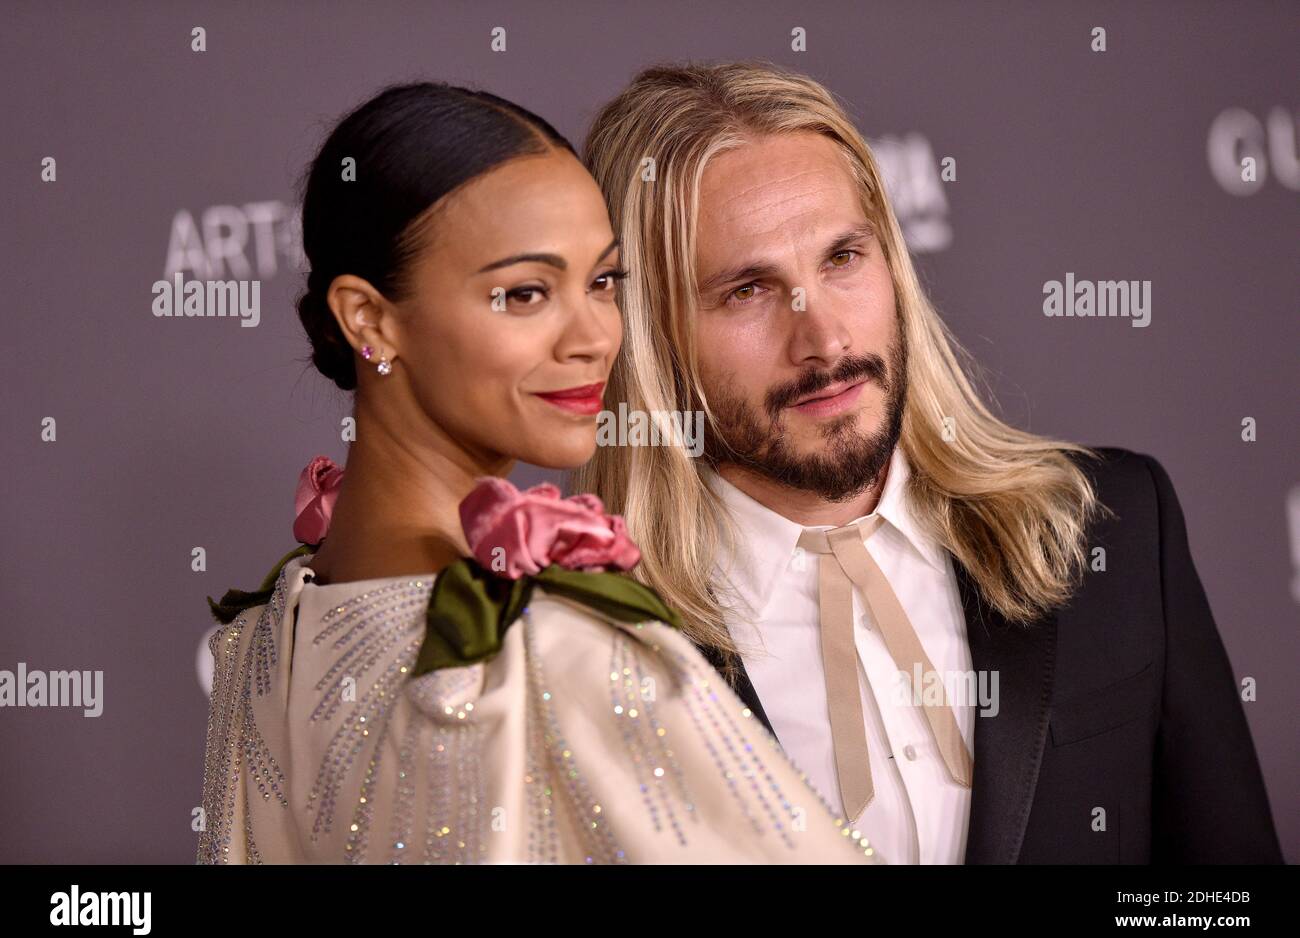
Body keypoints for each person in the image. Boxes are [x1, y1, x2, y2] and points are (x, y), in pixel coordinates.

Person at [574, 61, 1283, 864]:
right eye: (747, 290)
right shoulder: (583, 650)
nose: (826, 339)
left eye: (842, 258)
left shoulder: (1111, 528)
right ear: (648, 333)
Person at [196, 81, 880, 865]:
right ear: (370, 320)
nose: (593, 336)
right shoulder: (557, 650)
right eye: (524, 293)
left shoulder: (266, 639)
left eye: (602, 282)